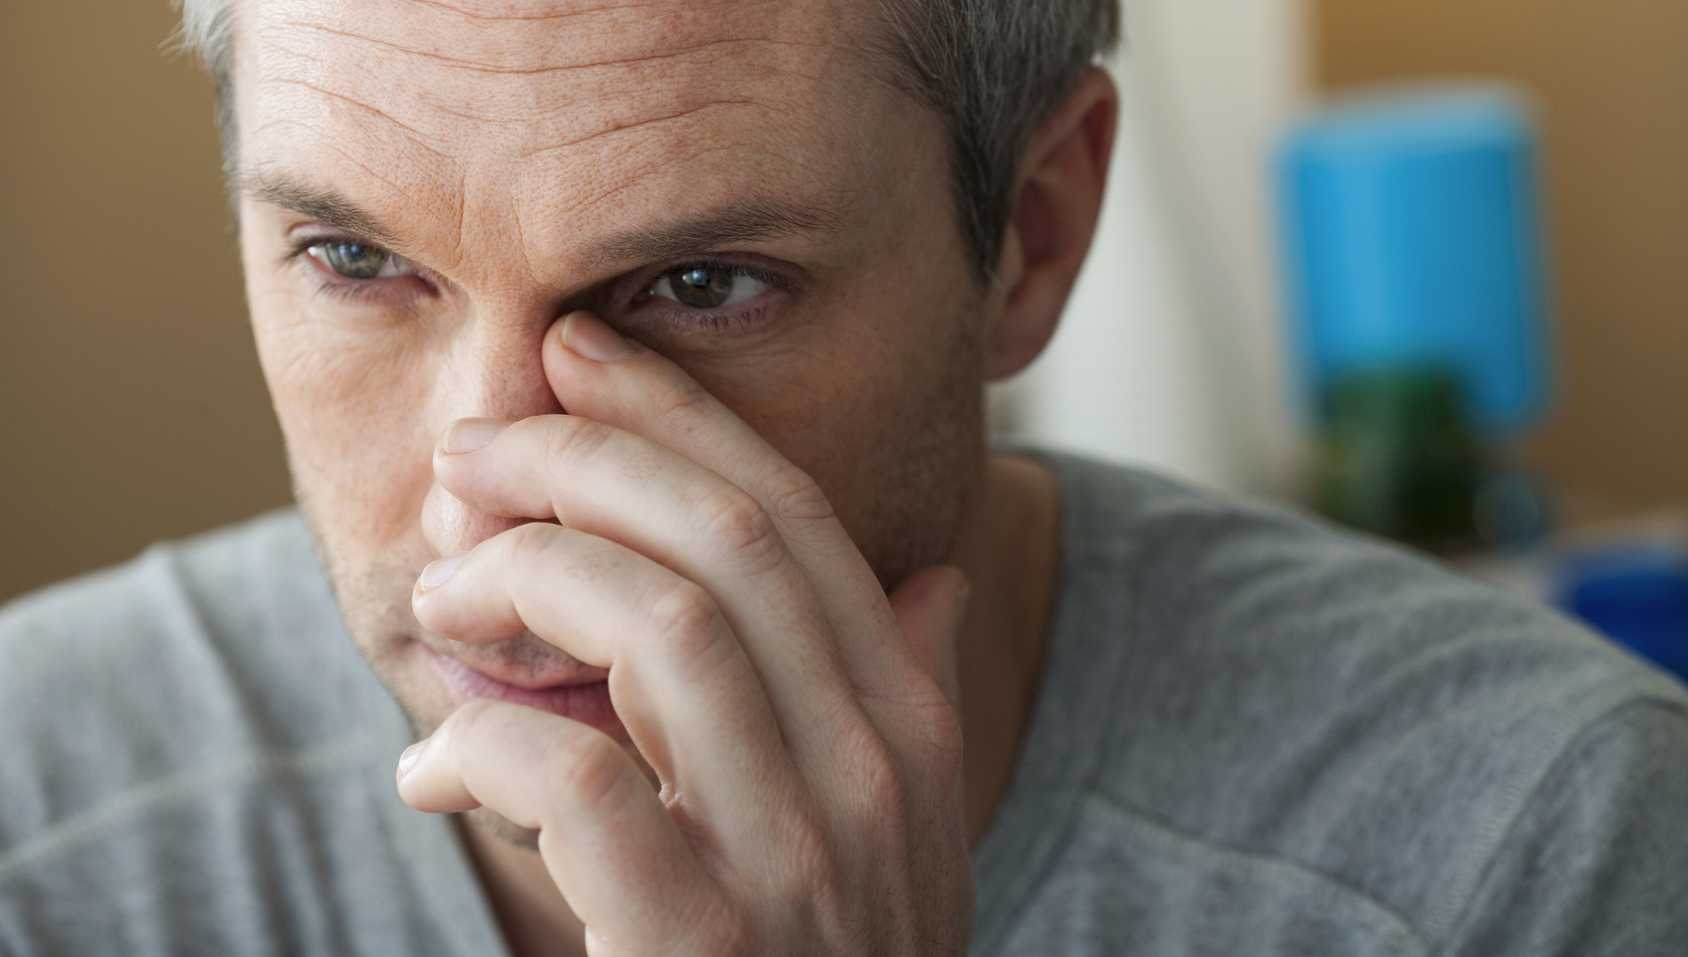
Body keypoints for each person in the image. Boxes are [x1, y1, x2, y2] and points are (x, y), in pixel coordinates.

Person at [3, 0, 1686, 954]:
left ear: (1031, 237)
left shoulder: (1529, 859)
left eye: (700, 288)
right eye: (354, 255)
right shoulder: (39, 832)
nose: (488, 516)